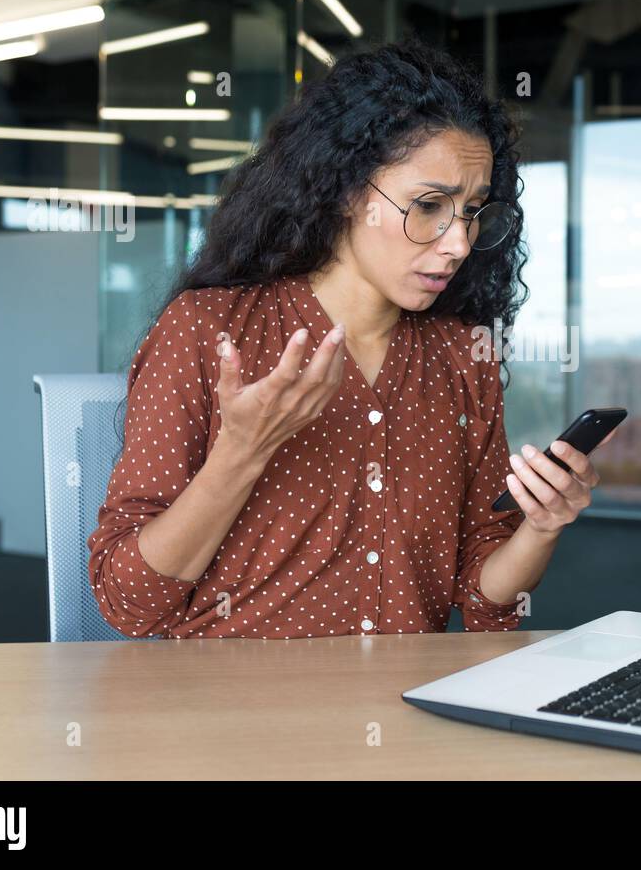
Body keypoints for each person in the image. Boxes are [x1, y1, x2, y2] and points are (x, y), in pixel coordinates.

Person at [87, 39, 610, 639]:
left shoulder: (463, 357)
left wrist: (541, 527)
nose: (458, 243)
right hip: (231, 712)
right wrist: (242, 452)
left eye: (472, 212)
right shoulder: (208, 331)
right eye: (430, 205)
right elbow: (129, 604)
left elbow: (487, 604)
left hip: (406, 709)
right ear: (344, 190)